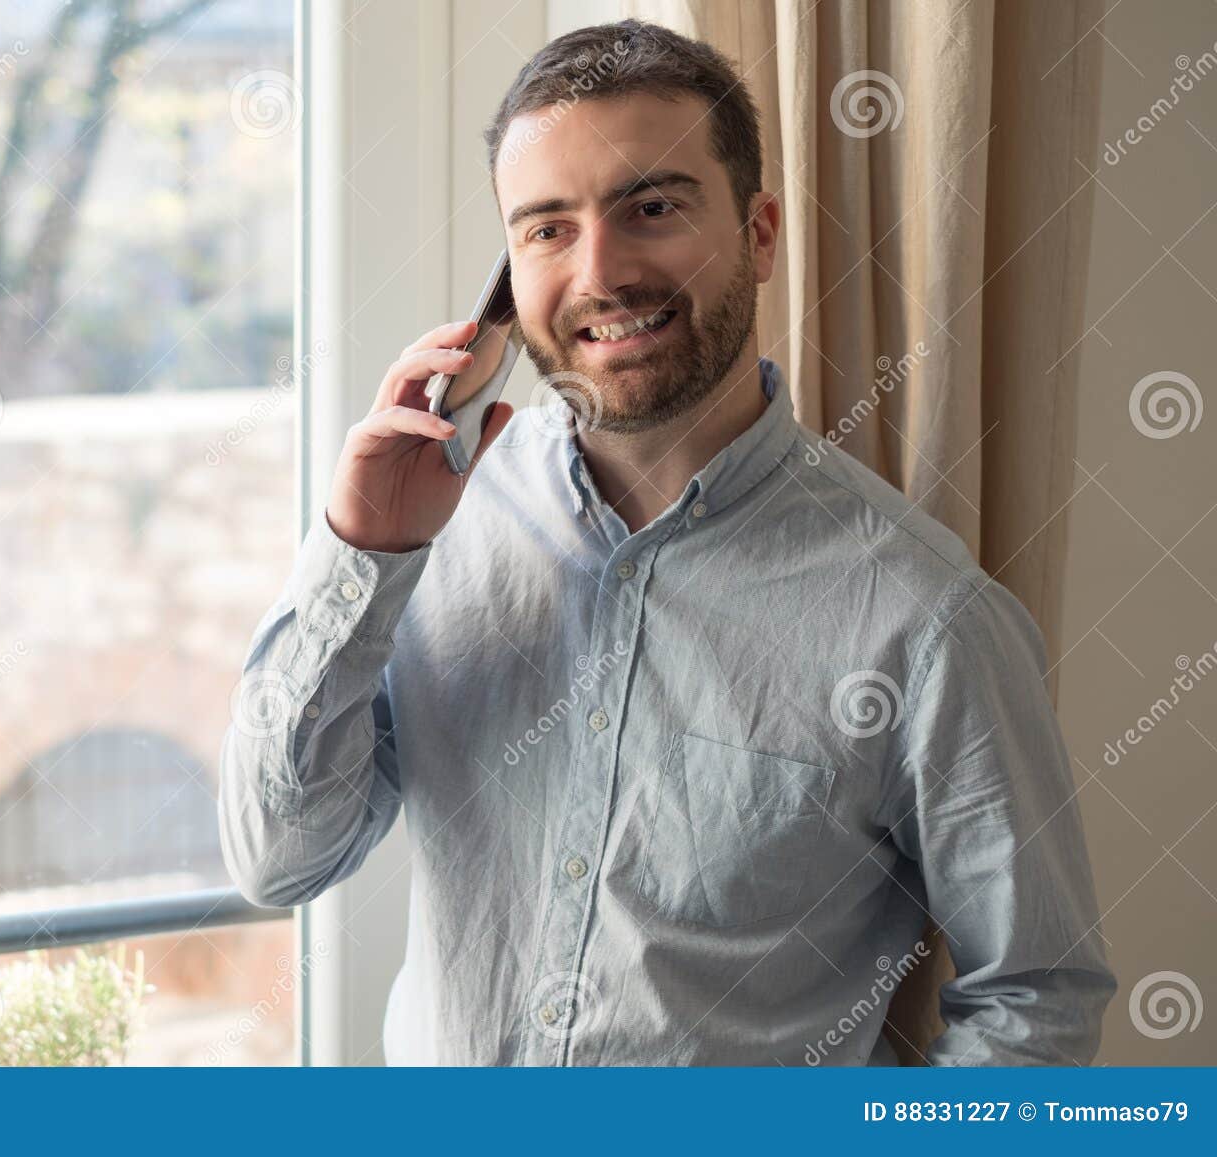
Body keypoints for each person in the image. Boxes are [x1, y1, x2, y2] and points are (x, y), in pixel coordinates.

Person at [218, 19, 1116, 1066]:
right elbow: (277, 860)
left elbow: (1037, 999)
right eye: (546, 229)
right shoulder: (422, 533)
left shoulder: (925, 620)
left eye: (650, 207)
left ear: (761, 233)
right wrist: (361, 553)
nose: (602, 272)